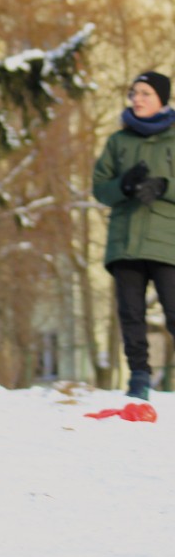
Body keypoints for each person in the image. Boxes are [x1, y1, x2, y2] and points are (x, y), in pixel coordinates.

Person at [93, 71, 175, 401]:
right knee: (130, 313)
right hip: (125, 242)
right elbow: (100, 188)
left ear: (161, 99)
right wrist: (123, 186)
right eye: (133, 93)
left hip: (167, 241)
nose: (137, 99)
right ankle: (139, 376)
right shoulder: (118, 142)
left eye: (144, 93)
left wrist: (164, 186)